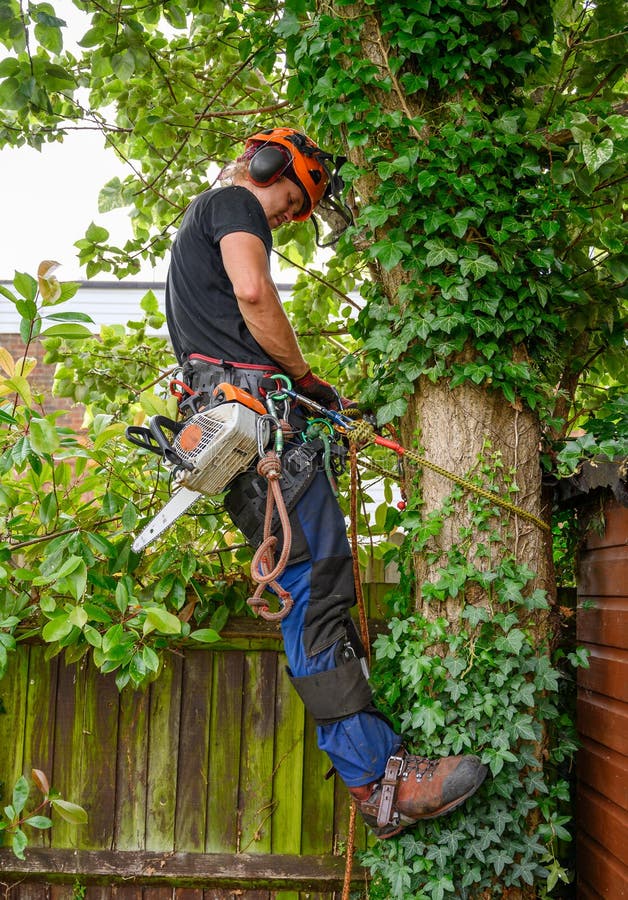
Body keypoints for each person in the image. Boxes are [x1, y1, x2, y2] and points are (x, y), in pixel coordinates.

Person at [165, 126, 487, 838]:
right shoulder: (230, 203)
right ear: (267, 164)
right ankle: (378, 779)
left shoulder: (200, 228)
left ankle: (374, 772)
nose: (285, 218)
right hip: (258, 431)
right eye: (291, 201)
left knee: (317, 583)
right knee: (315, 592)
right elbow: (253, 293)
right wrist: (305, 377)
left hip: (249, 430)